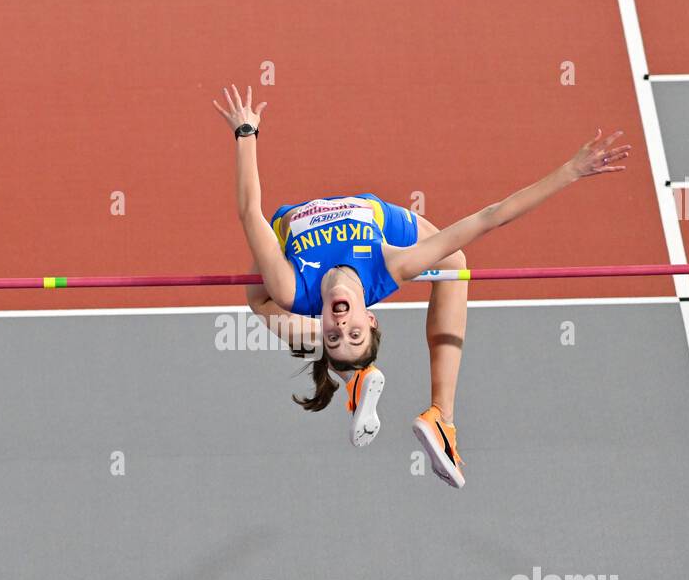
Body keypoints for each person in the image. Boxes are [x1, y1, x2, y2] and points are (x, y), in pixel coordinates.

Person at [213, 85, 630, 488]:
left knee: (262, 300)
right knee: (454, 263)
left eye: (335, 334)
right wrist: (570, 171)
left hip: (299, 256)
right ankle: (441, 416)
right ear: (370, 318)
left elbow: (250, 211)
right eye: (354, 333)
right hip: (381, 225)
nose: (342, 323)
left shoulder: (292, 288)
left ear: (325, 322)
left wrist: (245, 131)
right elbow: (489, 217)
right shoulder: (391, 267)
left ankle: (353, 375)